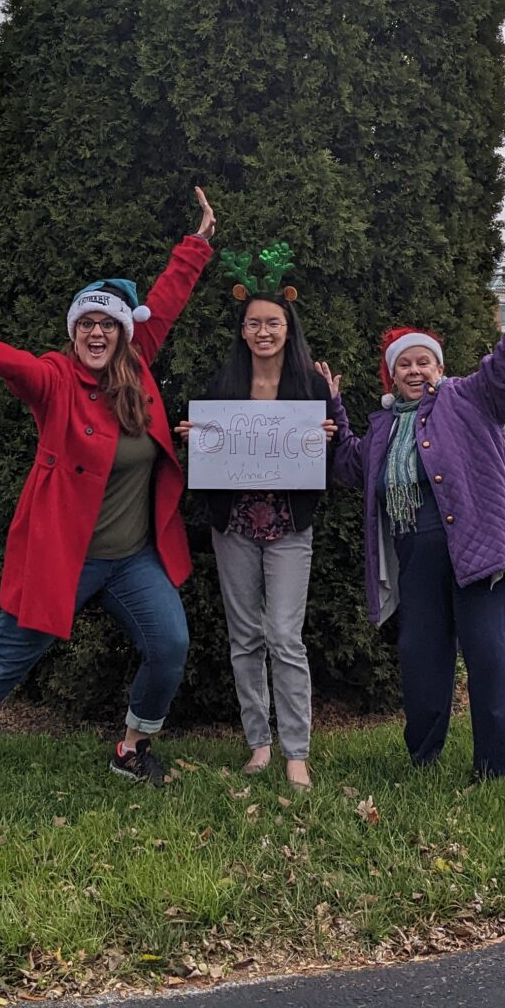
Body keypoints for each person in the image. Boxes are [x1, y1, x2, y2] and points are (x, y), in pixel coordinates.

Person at [0, 187, 217, 804]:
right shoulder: (56, 380)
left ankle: (132, 748)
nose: (97, 333)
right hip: (65, 559)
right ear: (74, 333)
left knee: (171, 643)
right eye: (86, 324)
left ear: (123, 334)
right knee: (5, 661)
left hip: (131, 558)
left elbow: (165, 304)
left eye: (107, 324)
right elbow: (12, 364)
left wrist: (197, 244)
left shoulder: (139, 368)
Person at [330, 253, 505, 779]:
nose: (414, 371)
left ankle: (501, 769)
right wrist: (334, 410)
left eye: (423, 362)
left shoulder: (471, 398)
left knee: (494, 663)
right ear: (390, 373)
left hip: (484, 554)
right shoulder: (384, 429)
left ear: (439, 367)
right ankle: (422, 759)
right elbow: (348, 464)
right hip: (418, 563)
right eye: (403, 364)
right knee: (421, 662)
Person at [177, 244, 339, 790]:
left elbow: (328, 464)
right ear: (242, 330)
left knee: (284, 636)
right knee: (244, 635)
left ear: (288, 328)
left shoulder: (311, 387)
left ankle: (297, 750)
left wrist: (325, 438)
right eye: (254, 324)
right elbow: (210, 449)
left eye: (273, 323)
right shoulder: (223, 385)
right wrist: (194, 439)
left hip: (290, 525)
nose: (263, 332)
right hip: (236, 525)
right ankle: (259, 743)